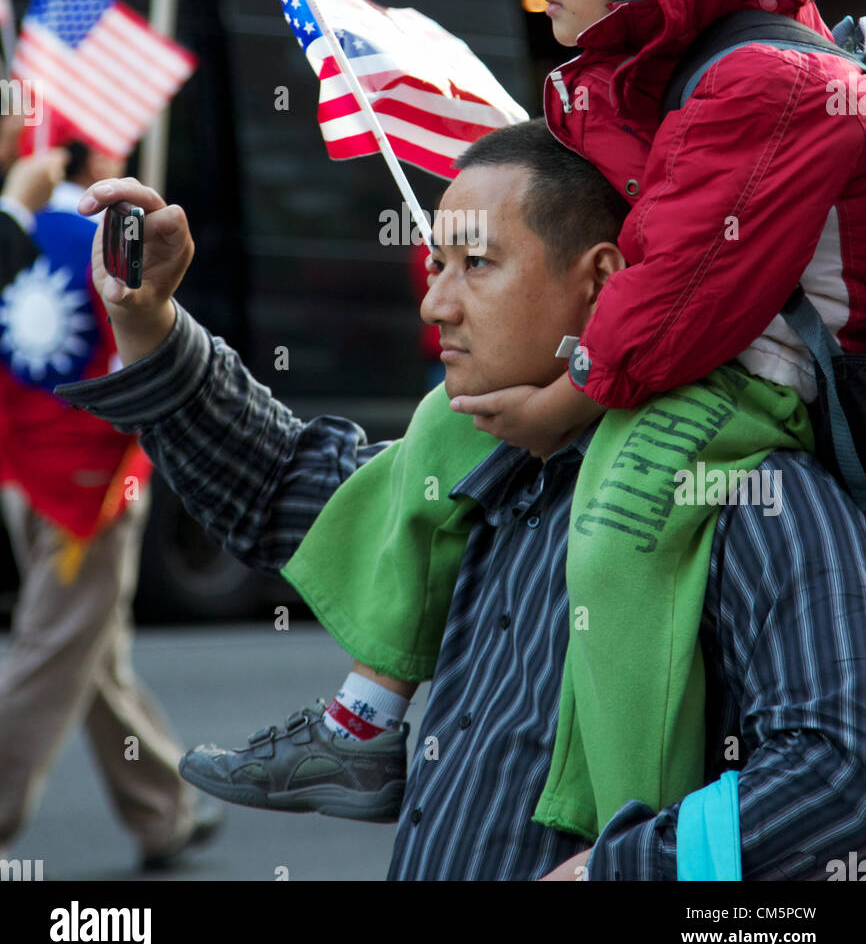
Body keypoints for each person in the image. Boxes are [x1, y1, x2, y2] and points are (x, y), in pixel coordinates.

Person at [162, 0, 866, 837]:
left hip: (758, 378)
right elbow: (297, 483)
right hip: (665, 357)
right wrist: (148, 343)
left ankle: (620, 814)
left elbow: (673, 288)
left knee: (615, 530)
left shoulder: (766, 85)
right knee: (439, 426)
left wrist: (567, 397)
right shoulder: (664, 75)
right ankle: (360, 725)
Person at [56, 121, 866, 880]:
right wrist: (149, 316)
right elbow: (281, 488)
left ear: (601, 281)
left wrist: (623, 868)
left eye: (475, 265)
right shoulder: (479, 461)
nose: (436, 303)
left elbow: (837, 769)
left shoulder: (754, 497)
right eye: (436, 266)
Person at [0, 137, 222, 871]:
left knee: (89, 649)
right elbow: (141, 365)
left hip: (23, 471)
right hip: (91, 482)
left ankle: (162, 810)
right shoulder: (95, 245)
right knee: (54, 650)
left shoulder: (18, 232)